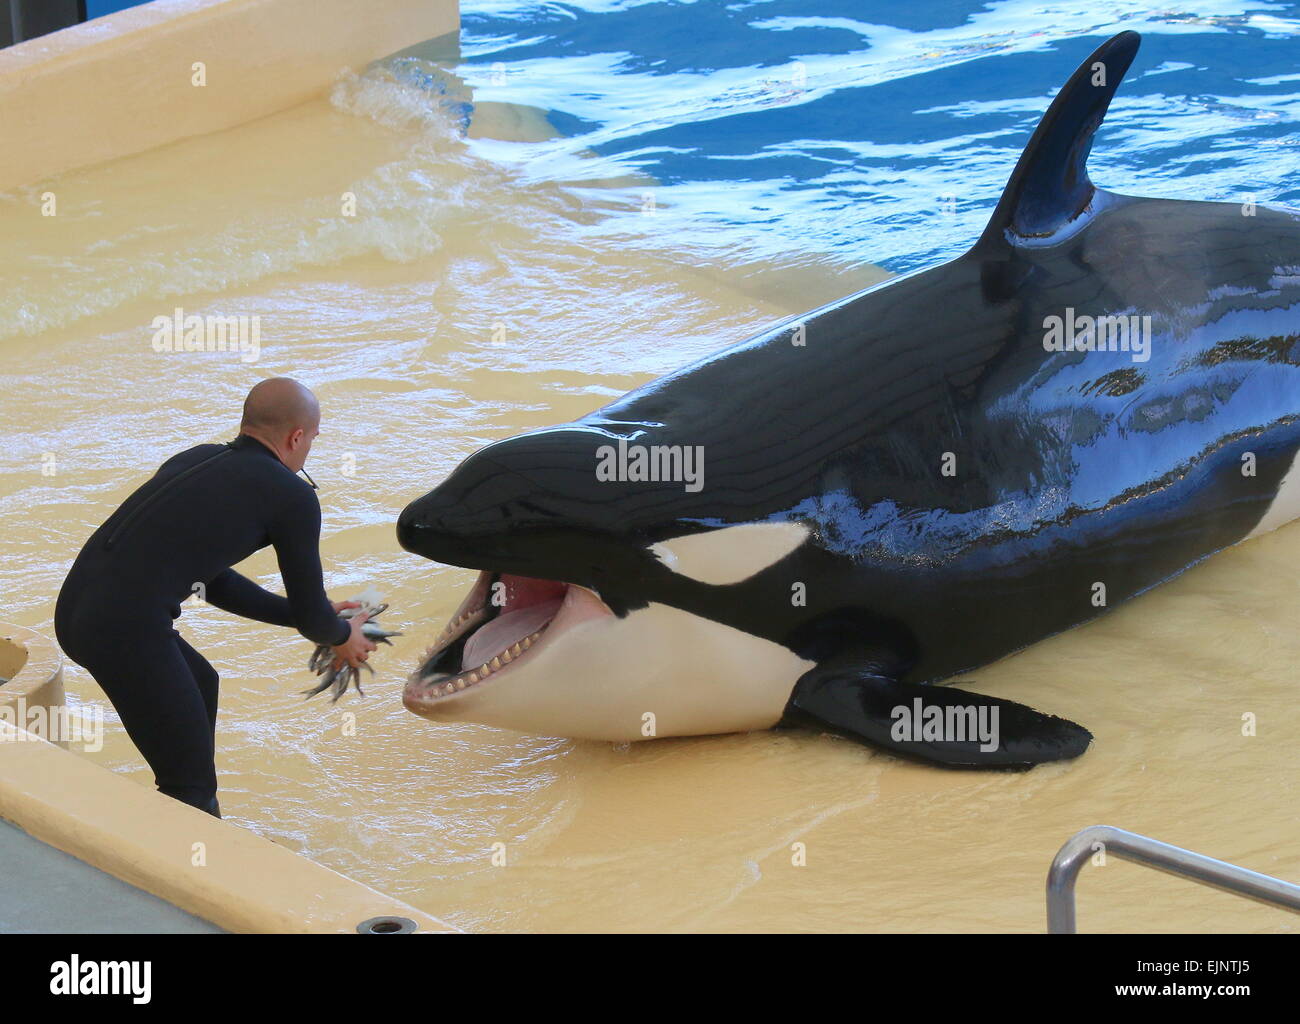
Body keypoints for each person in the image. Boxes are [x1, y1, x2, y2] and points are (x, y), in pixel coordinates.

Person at [54, 378, 376, 818]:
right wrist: (343, 635)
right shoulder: (293, 496)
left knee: (202, 682)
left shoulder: (196, 459)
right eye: (313, 439)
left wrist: (314, 617)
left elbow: (212, 581)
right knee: (190, 787)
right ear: (296, 437)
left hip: (78, 611)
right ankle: (186, 863)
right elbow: (314, 622)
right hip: (123, 631)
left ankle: (189, 828)